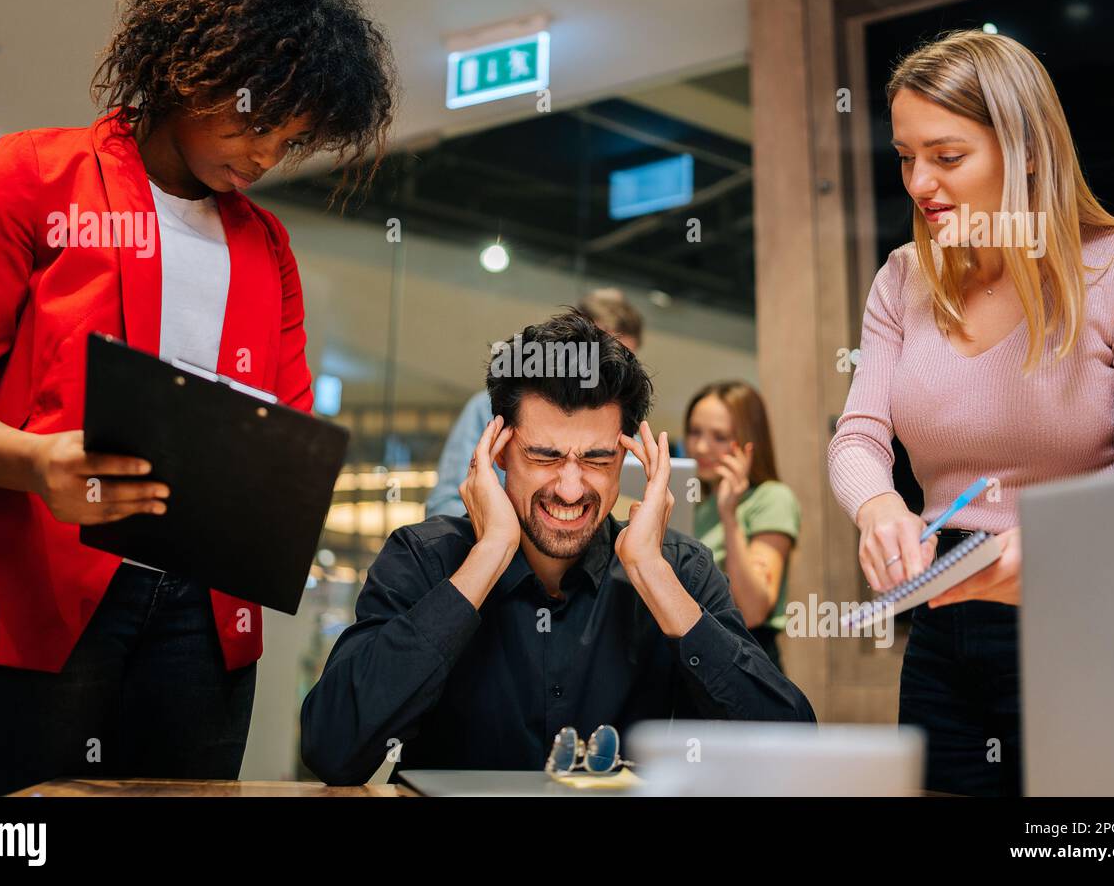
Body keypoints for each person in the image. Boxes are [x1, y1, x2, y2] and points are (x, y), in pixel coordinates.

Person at [0, 0, 397, 796]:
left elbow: (289, 435)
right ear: (190, 71)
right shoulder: (32, 179)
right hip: (35, 603)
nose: (267, 156)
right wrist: (35, 461)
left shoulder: (268, 249)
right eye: (253, 120)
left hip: (204, 624)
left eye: (293, 138)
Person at [827, 30, 1114, 796]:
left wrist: (1056, 547)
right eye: (905, 156)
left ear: (1026, 150)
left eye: (947, 156)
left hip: (1087, 623)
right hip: (942, 631)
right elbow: (859, 434)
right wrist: (881, 508)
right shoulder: (902, 279)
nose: (920, 182)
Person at [301, 311, 815, 784]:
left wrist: (652, 575)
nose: (570, 489)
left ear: (629, 458)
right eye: (544, 456)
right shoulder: (424, 557)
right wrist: (488, 556)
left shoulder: (677, 569)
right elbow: (333, 748)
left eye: (596, 459)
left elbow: (791, 754)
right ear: (497, 451)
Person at [425, 287, 643, 517]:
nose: (611, 370)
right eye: (544, 457)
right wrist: (507, 534)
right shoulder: (485, 409)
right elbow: (444, 506)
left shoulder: (626, 427)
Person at [685, 382, 798, 671]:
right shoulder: (693, 501)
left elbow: (752, 610)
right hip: (694, 654)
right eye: (695, 432)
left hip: (746, 658)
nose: (700, 447)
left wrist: (729, 515)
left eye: (720, 437)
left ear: (748, 443)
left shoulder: (772, 498)